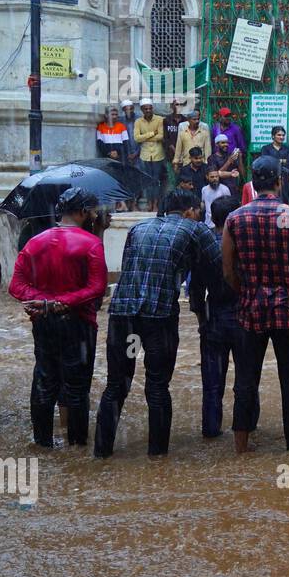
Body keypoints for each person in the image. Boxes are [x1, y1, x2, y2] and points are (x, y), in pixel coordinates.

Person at [95, 188, 220, 458]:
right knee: (157, 385)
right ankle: (157, 458)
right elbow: (219, 266)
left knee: (117, 384)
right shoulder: (195, 230)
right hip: (158, 318)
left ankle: (101, 453)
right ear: (189, 211)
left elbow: (130, 267)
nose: (199, 215)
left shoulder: (139, 228)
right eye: (198, 211)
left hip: (124, 317)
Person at [223, 156, 289, 454]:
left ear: (253, 182)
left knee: (246, 380)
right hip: (287, 310)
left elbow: (228, 271)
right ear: (279, 181)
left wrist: (248, 290)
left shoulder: (234, 219)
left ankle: (241, 444)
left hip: (250, 311)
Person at [8, 187, 107, 448]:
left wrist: (43, 301)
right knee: (76, 387)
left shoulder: (35, 242)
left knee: (44, 379)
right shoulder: (91, 243)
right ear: (84, 211)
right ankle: (76, 445)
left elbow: (15, 286)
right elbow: (97, 288)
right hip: (78, 322)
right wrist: (61, 302)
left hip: (43, 320)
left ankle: (42, 443)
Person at [189, 194, 242, 440]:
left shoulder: (205, 244)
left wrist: (201, 318)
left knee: (212, 383)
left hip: (214, 317)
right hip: (244, 316)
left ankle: (211, 431)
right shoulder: (244, 242)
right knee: (246, 379)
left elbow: (196, 288)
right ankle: (245, 428)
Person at [133, 98, 166, 212]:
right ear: (142, 110)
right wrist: (152, 133)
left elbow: (161, 136)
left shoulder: (160, 120)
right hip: (145, 154)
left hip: (158, 154)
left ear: (152, 108)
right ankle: (149, 203)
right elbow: (137, 138)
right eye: (145, 108)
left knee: (156, 180)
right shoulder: (138, 122)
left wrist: (145, 137)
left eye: (150, 108)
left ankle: (156, 204)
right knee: (147, 180)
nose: (148, 110)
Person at [259, 125, 289, 205]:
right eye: (279, 135)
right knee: (270, 202)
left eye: (283, 135)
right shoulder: (266, 149)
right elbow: (265, 164)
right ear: (273, 136)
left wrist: (274, 161)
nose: (281, 137)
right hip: (270, 180)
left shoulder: (288, 150)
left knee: (284, 203)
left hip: (284, 181)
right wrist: (282, 161)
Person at [207, 134, 242, 199]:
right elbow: (216, 174)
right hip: (219, 191)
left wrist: (240, 158)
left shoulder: (231, 156)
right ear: (217, 144)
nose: (226, 144)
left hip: (233, 190)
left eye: (227, 143)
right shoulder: (212, 158)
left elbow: (242, 173)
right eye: (223, 143)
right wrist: (229, 162)